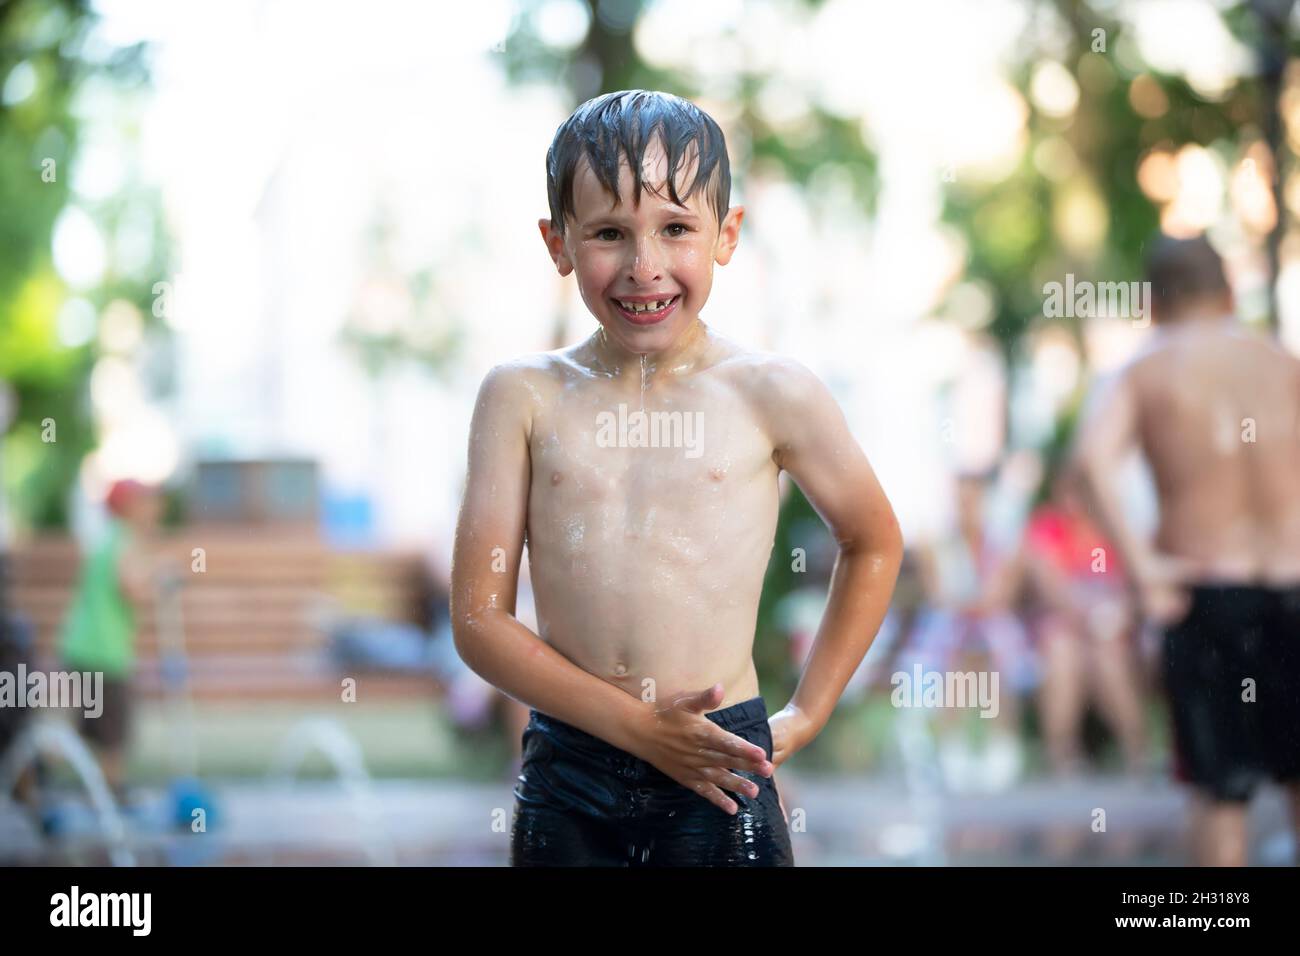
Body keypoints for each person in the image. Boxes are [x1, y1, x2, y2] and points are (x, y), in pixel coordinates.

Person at [450, 89, 903, 866]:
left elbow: (873, 541)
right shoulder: (521, 397)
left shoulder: (770, 392)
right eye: (608, 233)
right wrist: (638, 730)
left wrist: (808, 711)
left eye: (675, 228)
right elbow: (478, 619)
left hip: (718, 769)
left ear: (726, 235)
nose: (644, 266)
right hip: (572, 771)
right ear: (558, 243)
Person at [1074, 233, 1300, 866]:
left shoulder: (1146, 368)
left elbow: (1091, 464)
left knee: (1220, 794)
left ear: (1151, 301)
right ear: (1229, 291)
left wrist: (1145, 573)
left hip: (1208, 595)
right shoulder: (1282, 361)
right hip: (1295, 586)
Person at [1017, 461, 1147, 778]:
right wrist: (1089, 618)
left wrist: (1114, 617)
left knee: (1109, 659)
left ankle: (1137, 750)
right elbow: (1049, 583)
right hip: (1066, 626)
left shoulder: (1112, 529)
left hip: (1110, 631)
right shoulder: (1047, 527)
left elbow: (1134, 588)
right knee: (1063, 653)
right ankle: (1062, 753)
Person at [58, 479, 163, 803]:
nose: (154, 508)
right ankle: (110, 795)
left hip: (83, 646)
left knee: (94, 725)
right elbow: (129, 585)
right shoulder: (123, 540)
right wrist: (161, 585)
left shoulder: (106, 539)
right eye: (146, 502)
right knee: (114, 729)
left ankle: (92, 791)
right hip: (104, 652)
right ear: (130, 507)